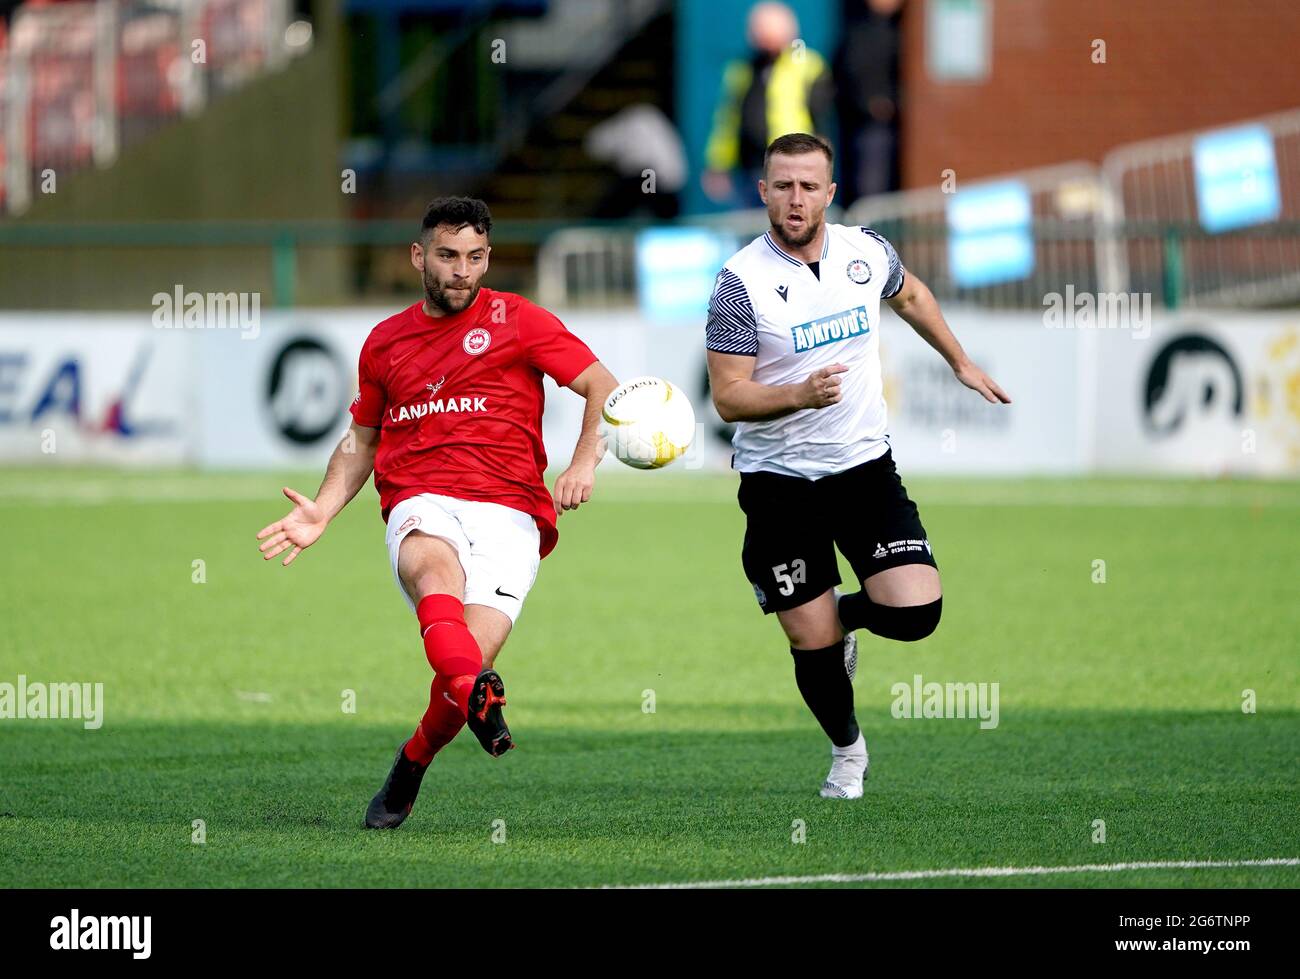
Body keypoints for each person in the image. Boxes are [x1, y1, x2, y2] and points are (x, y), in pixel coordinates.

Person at [256, 196, 620, 829]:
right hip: (420, 496)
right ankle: (475, 696)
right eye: (448, 256)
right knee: (431, 569)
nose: (462, 271)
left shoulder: (521, 319)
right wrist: (322, 510)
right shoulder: (386, 341)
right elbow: (362, 441)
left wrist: (584, 461)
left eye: (475, 257)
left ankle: (414, 760)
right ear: (418, 257)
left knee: (465, 670)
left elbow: (601, 385)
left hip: (513, 512)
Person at [704, 133, 1010, 799]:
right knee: (810, 647)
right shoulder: (738, 284)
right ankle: (847, 752)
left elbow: (914, 297)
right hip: (779, 486)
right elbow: (728, 395)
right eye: (782, 184)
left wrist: (959, 361)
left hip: (864, 470)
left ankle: (839, 612)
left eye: (809, 185)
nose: (795, 198)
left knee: (916, 611)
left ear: (830, 192)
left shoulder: (866, 251)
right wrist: (797, 393)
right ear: (762, 191)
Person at [702, 2, 833, 208]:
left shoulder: (807, 65)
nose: (765, 39)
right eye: (760, 32)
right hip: (751, 169)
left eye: (771, 32)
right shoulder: (741, 70)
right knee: (753, 232)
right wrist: (718, 165)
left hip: (793, 167)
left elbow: (822, 120)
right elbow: (727, 122)